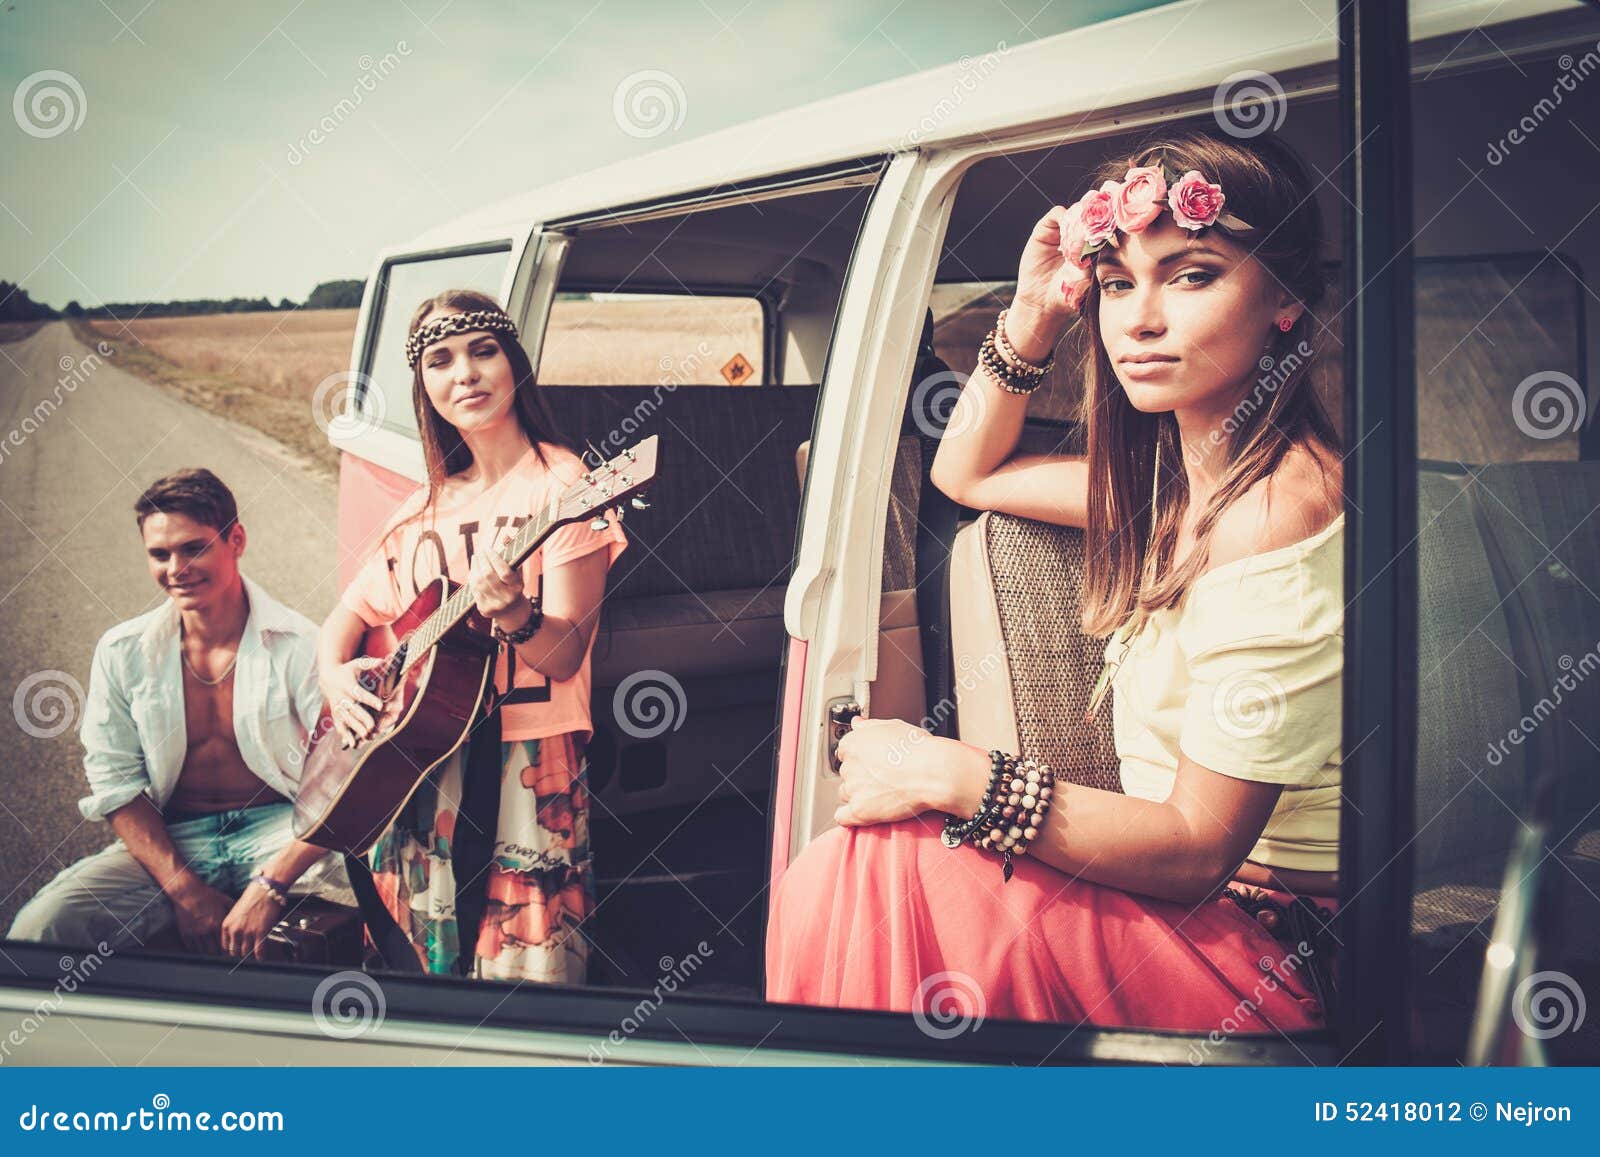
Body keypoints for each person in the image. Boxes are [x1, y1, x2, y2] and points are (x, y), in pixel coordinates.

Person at [766, 127, 1344, 1032]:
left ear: (1285, 299)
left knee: (869, 872)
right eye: (1118, 284)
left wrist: (947, 768)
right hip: (1198, 904)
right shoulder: (1177, 492)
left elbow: (1199, 848)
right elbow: (968, 475)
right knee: (857, 866)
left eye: (1192, 275)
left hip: (1277, 940)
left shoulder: (1274, 507)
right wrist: (1033, 317)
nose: (1140, 319)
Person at [317, 289, 626, 983]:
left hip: (526, 760)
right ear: (423, 384)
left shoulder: (563, 483)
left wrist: (515, 615)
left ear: (513, 363)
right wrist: (335, 675)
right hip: (417, 761)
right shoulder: (419, 510)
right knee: (419, 969)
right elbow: (345, 620)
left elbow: (567, 651)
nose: (466, 373)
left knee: (527, 972)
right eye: (441, 360)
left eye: (483, 351)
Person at [9, 468, 353, 959]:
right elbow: (115, 779)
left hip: (283, 831)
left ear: (236, 540)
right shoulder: (123, 651)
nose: (177, 569)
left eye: (194, 548)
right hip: (177, 838)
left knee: (386, 887)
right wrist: (185, 892)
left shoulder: (301, 644)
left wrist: (271, 886)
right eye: (159, 554)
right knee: (40, 930)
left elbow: (342, 782)